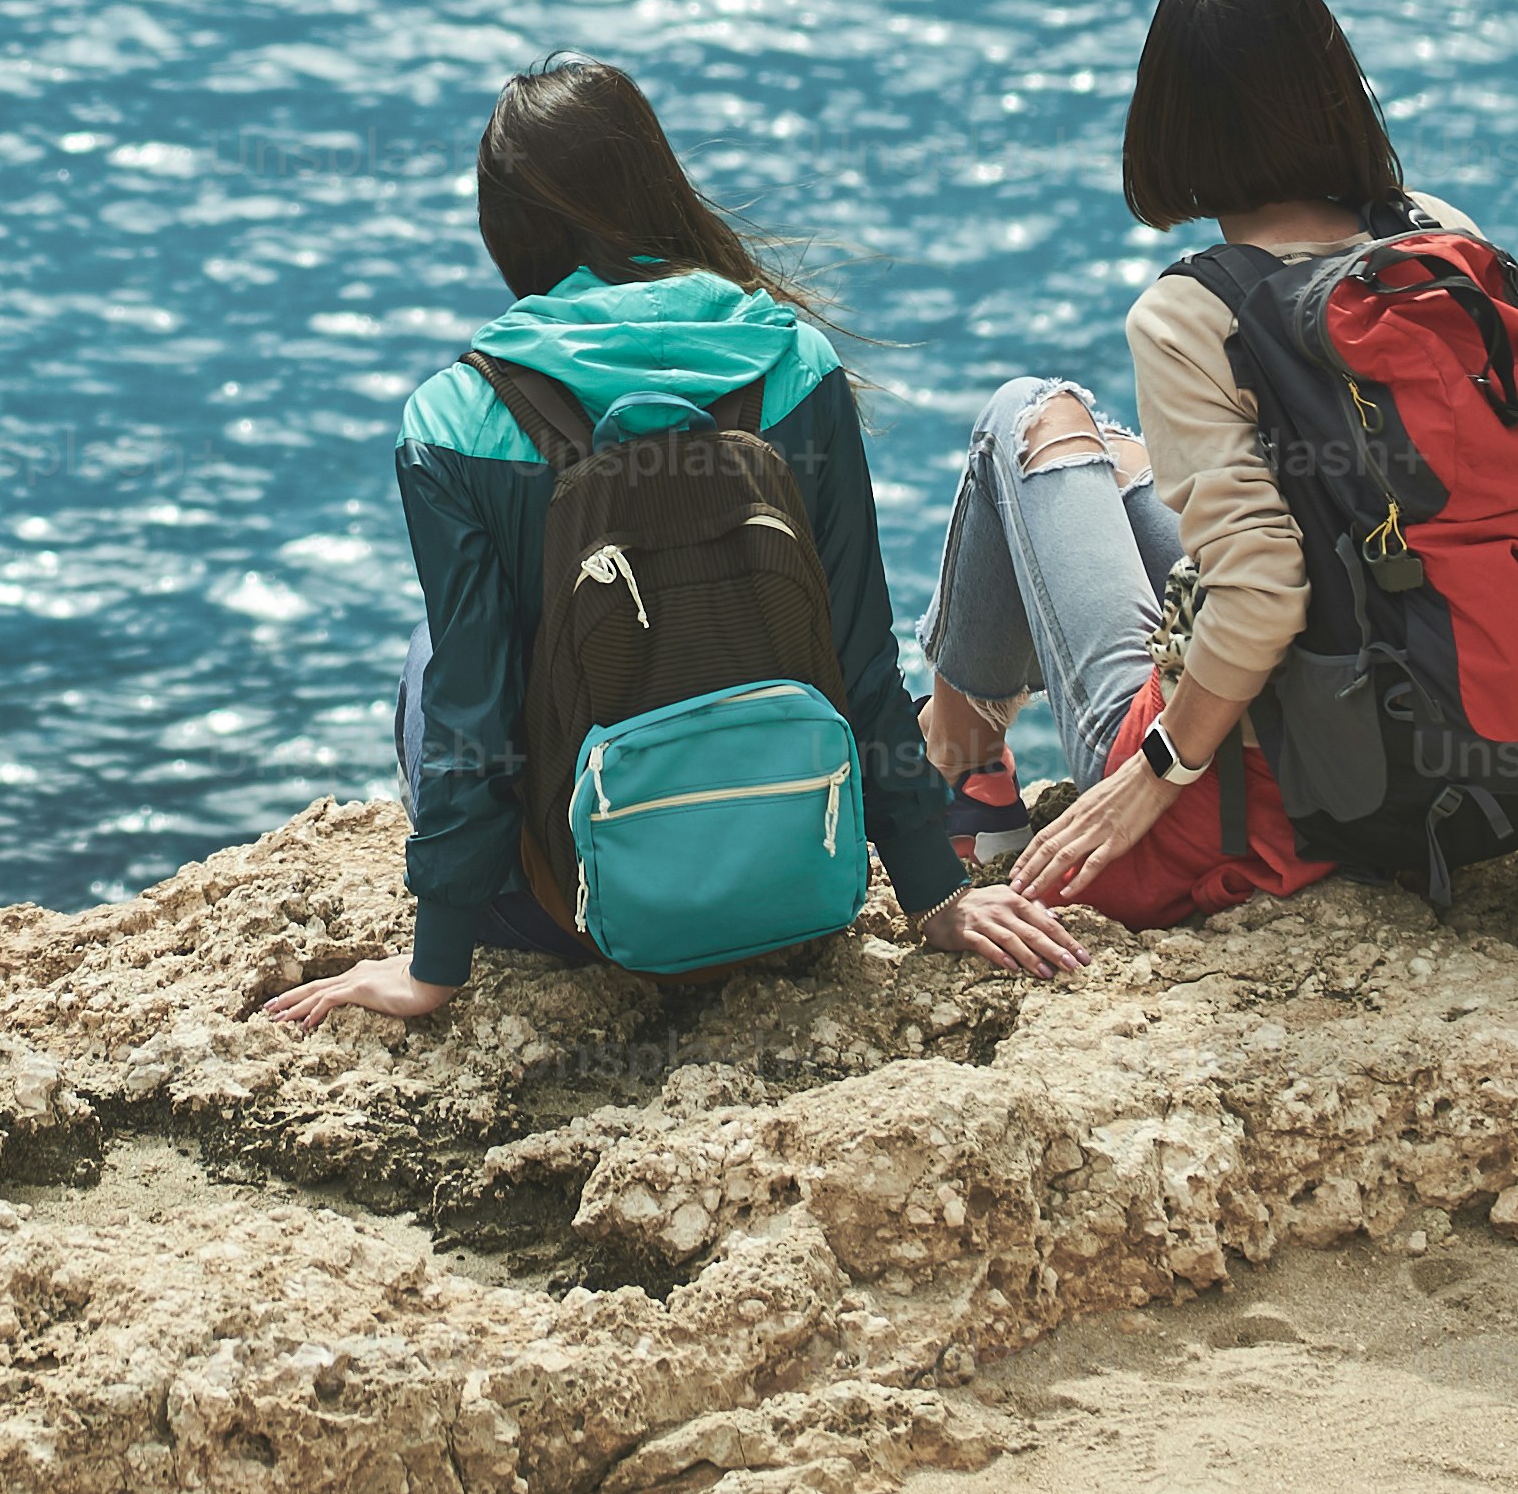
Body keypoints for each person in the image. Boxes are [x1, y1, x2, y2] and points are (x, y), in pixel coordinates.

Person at [263, 59, 1095, 1024]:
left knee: (430, 658)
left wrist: (433, 967)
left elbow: (470, 724)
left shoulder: (452, 418)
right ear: (658, 186)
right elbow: (860, 657)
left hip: (573, 912)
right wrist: (929, 895)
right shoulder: (795, 364)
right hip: (798, 883)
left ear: (509, 231)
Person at [932, 0, 1498, 907]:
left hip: (1263, 796)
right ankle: (959, 754)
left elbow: (1267, 593)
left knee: (1026, 415)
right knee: (1111, 455)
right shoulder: (1440, 247)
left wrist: (1148, 778)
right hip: (1465, 749)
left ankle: (958, 766)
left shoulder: (1195, 315)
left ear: (1175, 127)